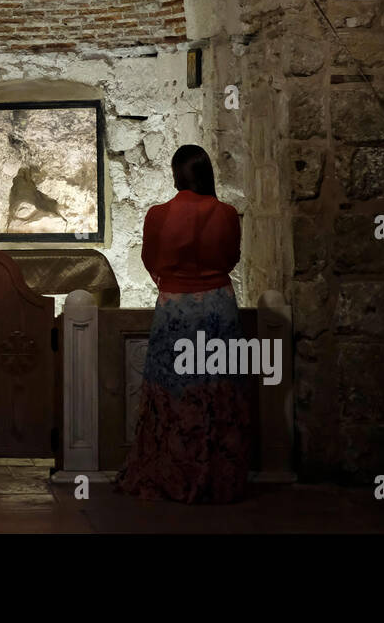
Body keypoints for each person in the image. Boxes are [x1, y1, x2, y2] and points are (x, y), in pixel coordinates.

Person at [116, 144, 252, 503]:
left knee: (173, 391)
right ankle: (217, 476)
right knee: (217, 388)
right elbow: (232, 258)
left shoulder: (158, 215)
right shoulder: (227, 213)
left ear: (177, 174)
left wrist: (176, 281)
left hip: (175, 307)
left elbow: (150, 260)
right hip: (218, 307)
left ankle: (173, 473)